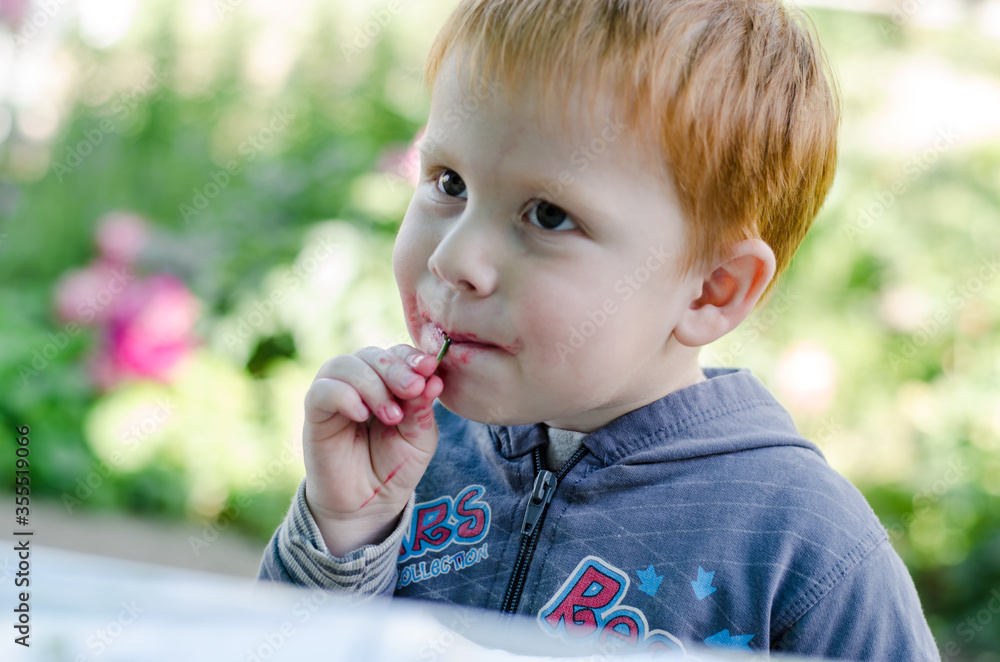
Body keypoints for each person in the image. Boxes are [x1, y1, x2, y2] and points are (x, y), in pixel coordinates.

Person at [258, 0, 940, 658]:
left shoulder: (800, 547)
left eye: (548, 215)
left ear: (712, 288)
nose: (453, 258)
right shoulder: (408, 459)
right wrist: (345, 535)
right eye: (449, 183)